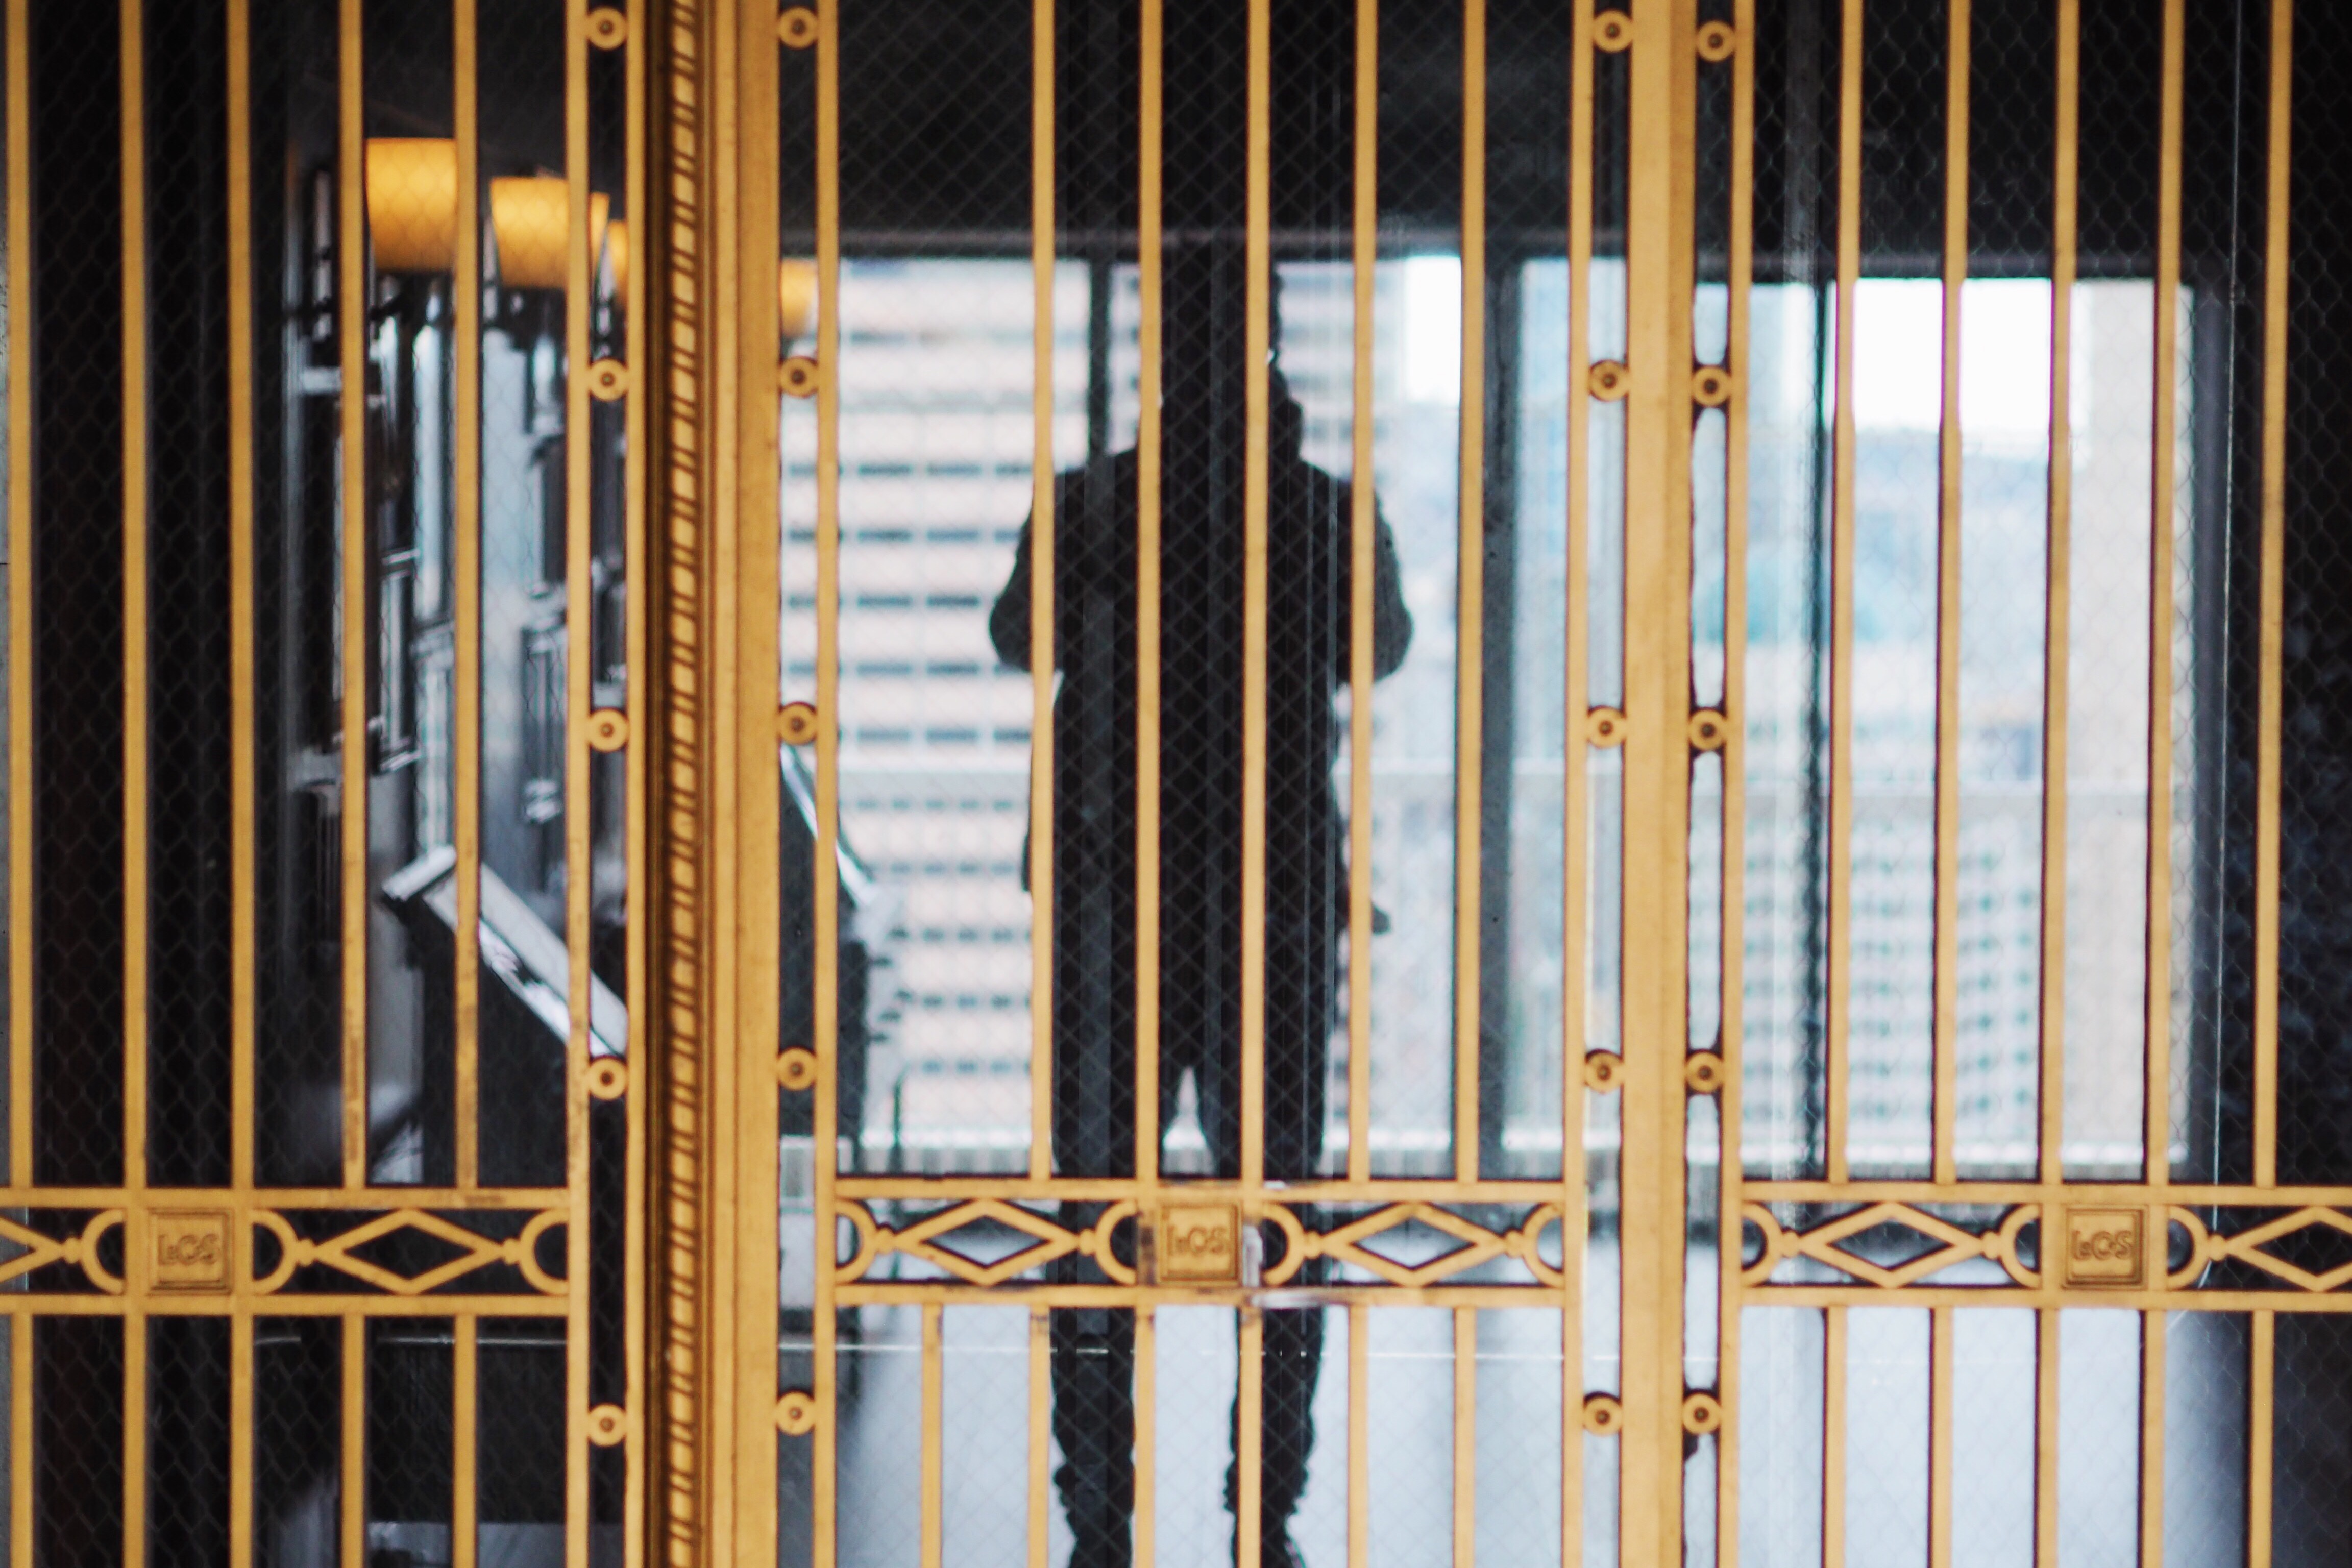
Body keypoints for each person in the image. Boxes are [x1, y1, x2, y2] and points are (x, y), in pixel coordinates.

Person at [989, 300, 1411, 1568]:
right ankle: (1265, 1515)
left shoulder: (1093, 502)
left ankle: (1098, 1523)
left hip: (1110, 888)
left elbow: (1015, 640)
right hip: (1267, 894)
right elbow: (1382, 650)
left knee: (1096, 1210)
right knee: (1280, 1208)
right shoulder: (1326, 510)